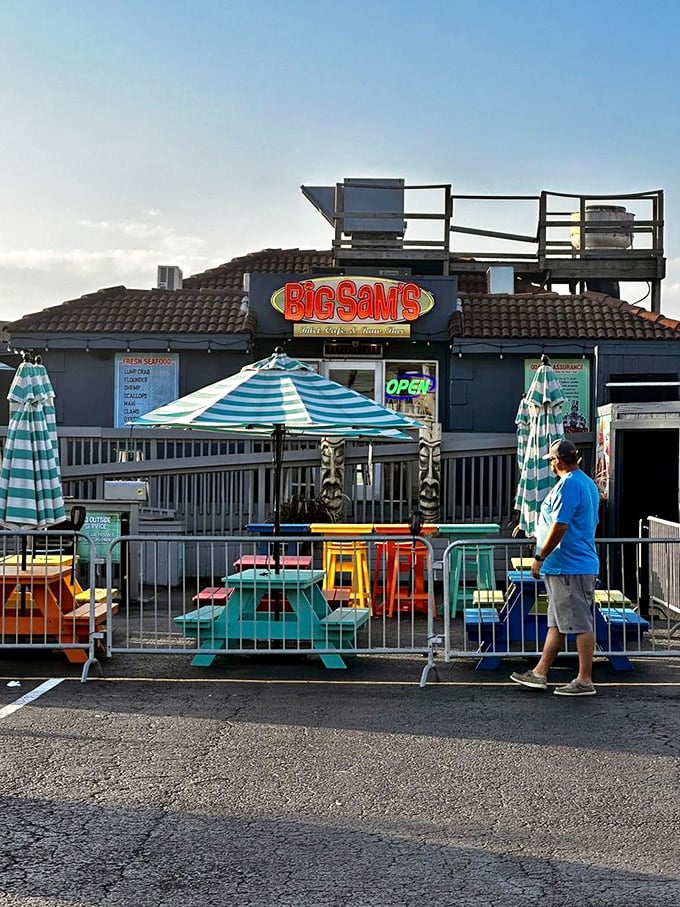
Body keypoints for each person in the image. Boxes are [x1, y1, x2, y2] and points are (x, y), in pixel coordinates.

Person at [510, 438, 600, 696]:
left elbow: (560, 525)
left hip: (569, 565)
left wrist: (540, 556)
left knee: (580, 623)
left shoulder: (568, 486)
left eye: (550, 460)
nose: (550, 464)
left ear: (558, 461)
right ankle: (539, 672)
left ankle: (584, 680)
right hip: (570, 564)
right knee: (558, 624)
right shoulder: (585, 483)